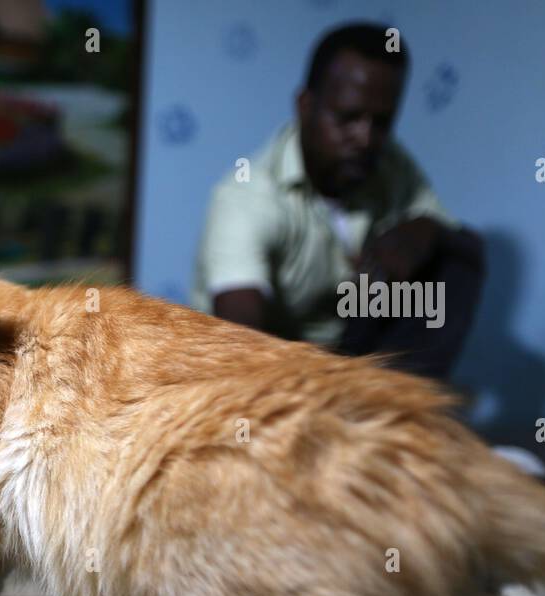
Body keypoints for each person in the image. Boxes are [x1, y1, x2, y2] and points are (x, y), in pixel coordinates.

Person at [191, 22, 484, 380]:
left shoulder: (389, 163)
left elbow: (442, 230)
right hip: (265, 369)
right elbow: (239, 334)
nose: (365, 138)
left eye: (382, 122)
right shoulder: (246, 198)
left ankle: (402, 405)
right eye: (347, 118)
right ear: (305, 105)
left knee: (459, 252)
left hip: (346, 356)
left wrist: (423, 230)